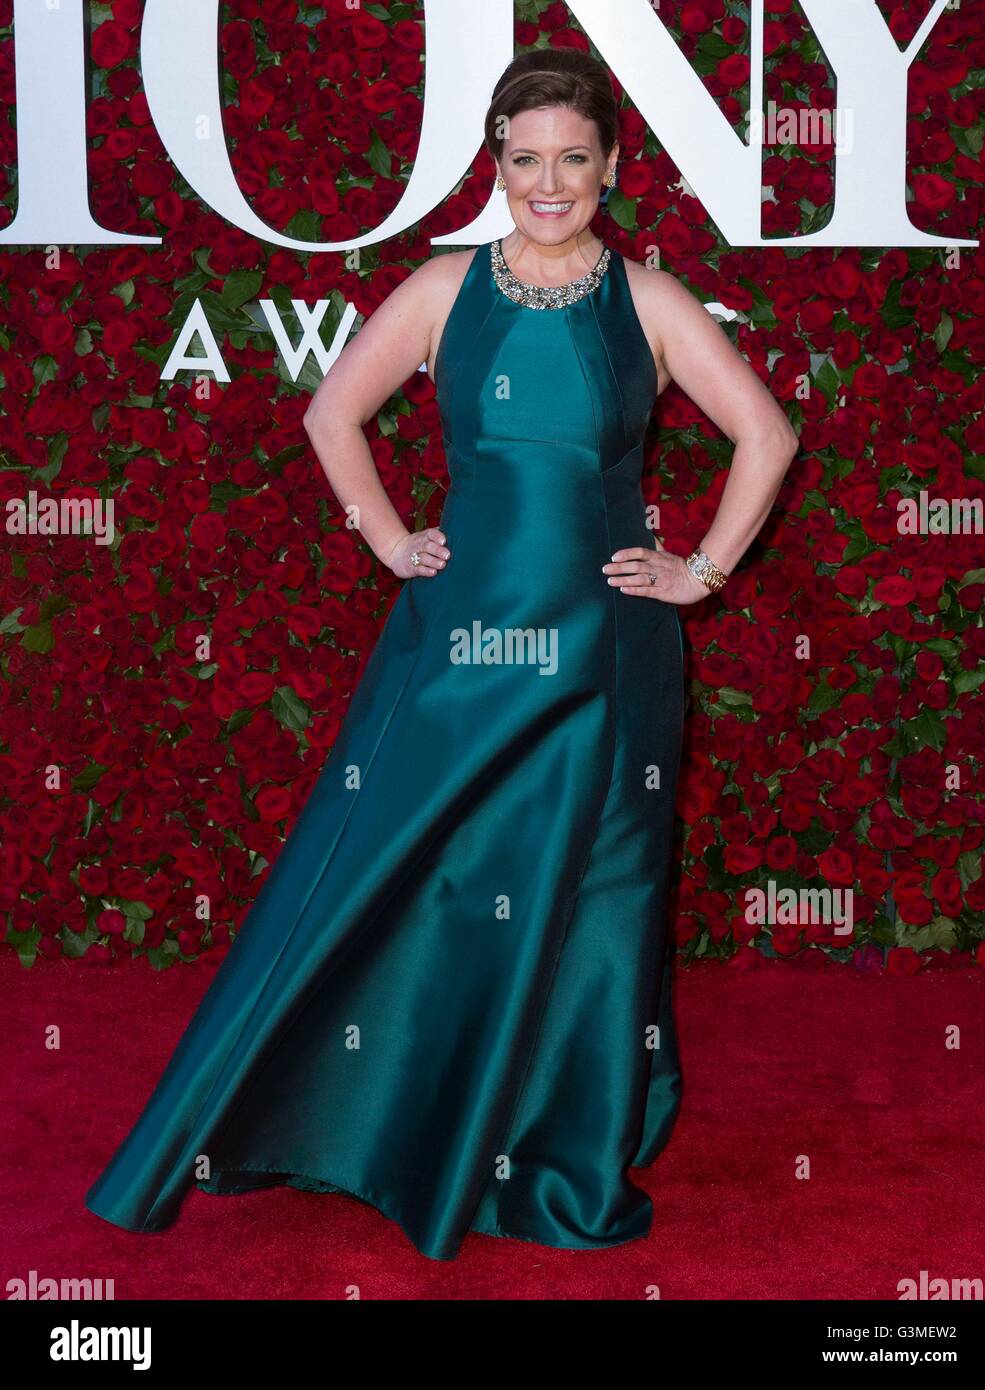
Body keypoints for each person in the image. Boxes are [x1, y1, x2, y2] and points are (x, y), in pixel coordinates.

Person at [84, 48, 799, 1261]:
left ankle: (549, 1145)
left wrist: (701, 573)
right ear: (498, 166)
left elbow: (767, 436)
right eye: (526, 160)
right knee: (406, 875)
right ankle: (383, 1121)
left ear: (613, 167)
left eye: (574, 158)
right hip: (459, 646)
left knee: (589, 901)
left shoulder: (651, 302)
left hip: (604, 660)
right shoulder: (442, 288)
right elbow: (330, 415)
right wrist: (386, 540)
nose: (550, 182)